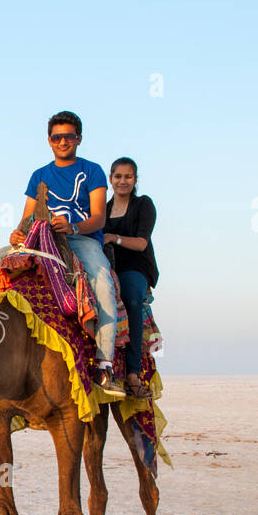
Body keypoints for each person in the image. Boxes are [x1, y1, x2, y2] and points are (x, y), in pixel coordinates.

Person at [0, 111, 125, 397]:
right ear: (49, 141)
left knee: (102, 284)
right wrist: (16, 233)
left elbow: (99, 217)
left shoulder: (92, 171)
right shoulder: (39, 175)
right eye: (57, 137)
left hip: (81, 240)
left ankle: (104, 365)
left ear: (78, 138)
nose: (63, 142)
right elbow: (27, 218)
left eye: (68, 136)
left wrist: (73, 226)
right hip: (37, 239)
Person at [103, 157, 159, 398]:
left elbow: (141, 243)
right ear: (110, 179)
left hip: (136, 265)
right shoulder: (102, 210)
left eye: (128, 176)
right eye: (118, 176)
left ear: (135, 179)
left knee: (131, 300)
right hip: (108, 265)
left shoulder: (143, 205)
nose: (122, 181)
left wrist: (113, 237)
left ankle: (133, 373)